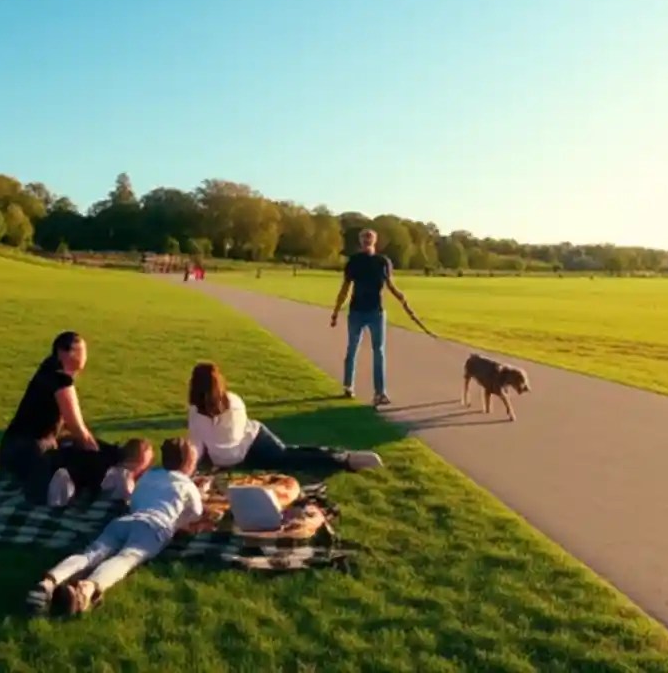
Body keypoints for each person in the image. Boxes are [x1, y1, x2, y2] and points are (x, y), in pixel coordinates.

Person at [27, 438, 204, 616]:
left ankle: (49, 581)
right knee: (125, 559)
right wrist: (178, 523)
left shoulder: (149, 476)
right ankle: (88, 588)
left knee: (90, 553)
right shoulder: (187, 485)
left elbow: (134, 501)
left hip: (126, 520)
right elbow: (196, 513)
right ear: (189, 464)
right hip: (155, 527)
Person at [0, 331, 121, 506]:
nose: (85, 356)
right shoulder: (60, 380)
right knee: (90, 457)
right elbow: (77, 428)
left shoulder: (47, 368)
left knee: (75, 447)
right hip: (30, 452)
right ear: (65, 354)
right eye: (81, 351)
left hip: (11, 451)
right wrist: (97, 455)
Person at [186, 362, 383, 472]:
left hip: (240, 452)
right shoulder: (234, 401)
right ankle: (345, 458)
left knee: (288, 458)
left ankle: (344, 458)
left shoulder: (197, 415)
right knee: (289, 455)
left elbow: (198, 449)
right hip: (253, 440)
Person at [330, 228, 411, 405]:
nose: (367, 241)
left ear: (375, 241)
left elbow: (390, 284)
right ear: (360, 241)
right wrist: (336, 311)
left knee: (379, 352)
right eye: (364, 238)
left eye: (370, 238)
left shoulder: (383, 261)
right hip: (357, 311)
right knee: (352, 349)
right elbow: (345, 287)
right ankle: (348, 386)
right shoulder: (354, 261)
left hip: (376, 312)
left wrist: (401, 297)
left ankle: (380, 392)